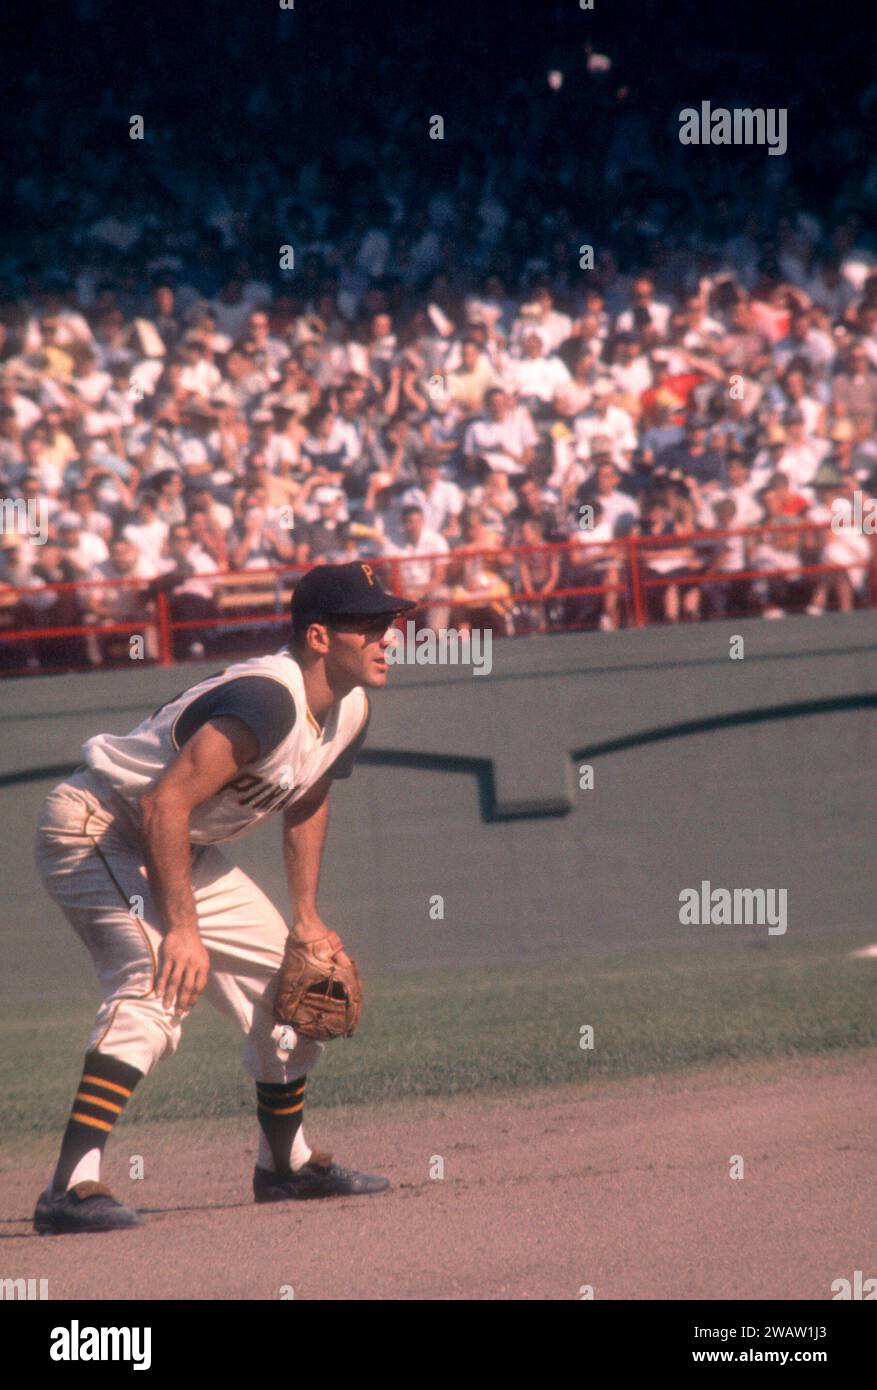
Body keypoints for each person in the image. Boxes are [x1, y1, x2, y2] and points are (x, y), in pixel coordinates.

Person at [32, 561, 417, 1233]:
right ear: (321, 637)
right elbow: (163, 802)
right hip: (100, 825)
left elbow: (309, 798)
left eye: (390, 624)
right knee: (156, 981)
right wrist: (181, 928)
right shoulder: (269, 697)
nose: (390, 638)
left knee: (288, 984)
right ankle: (69, 1186)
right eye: (372, 626)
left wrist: (305, 917)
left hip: (176, 843)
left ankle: (284, 1165)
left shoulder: (351, 708)